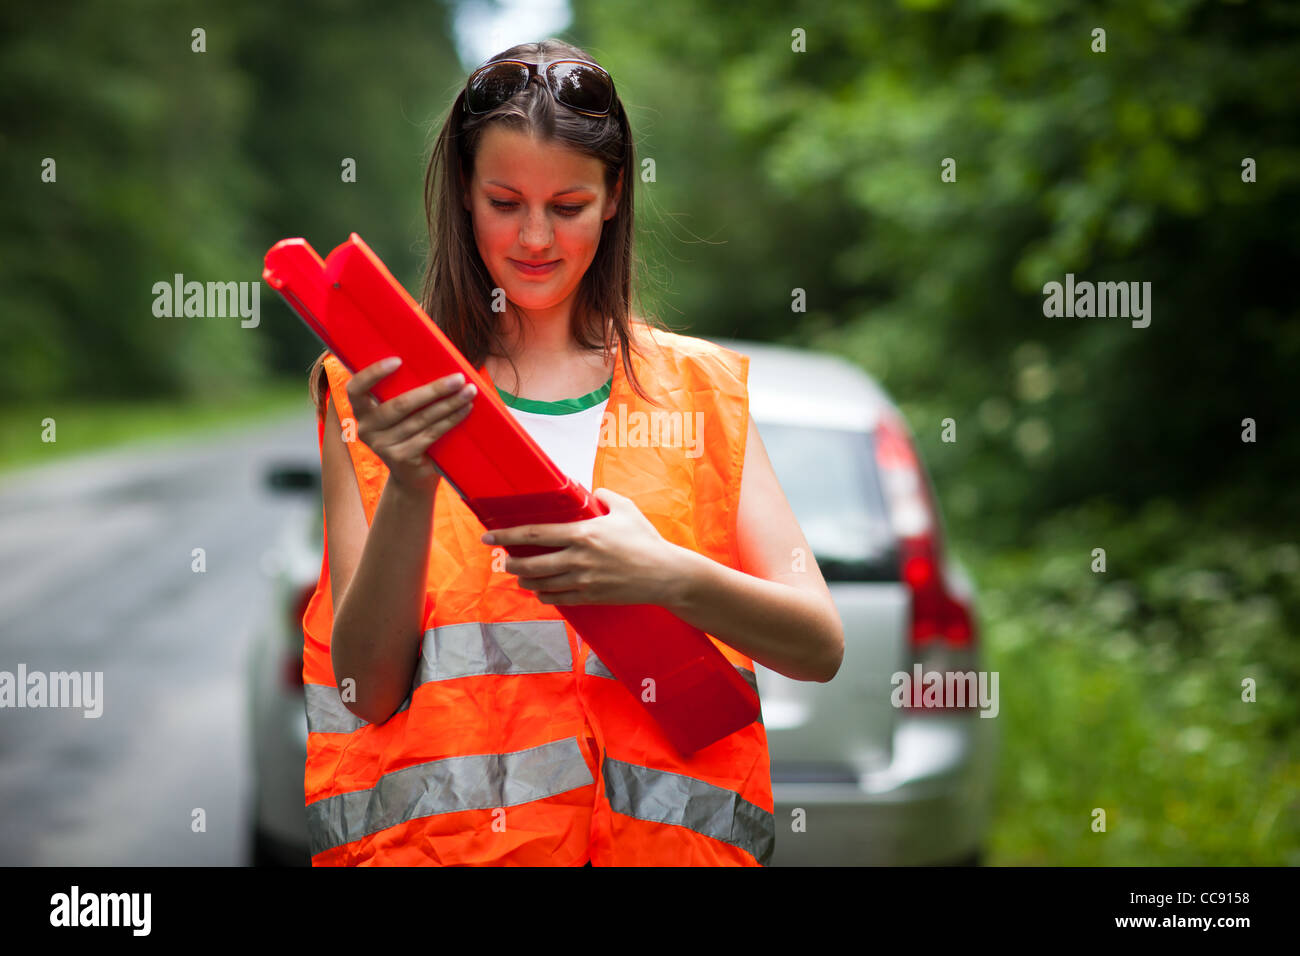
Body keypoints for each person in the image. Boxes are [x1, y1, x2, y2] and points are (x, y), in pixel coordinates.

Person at [299, 38, 844, 867]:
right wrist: (411, 482)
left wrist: (665, 574)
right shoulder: (373, 393)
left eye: (569, 206)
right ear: (462, 194)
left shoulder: (697, 392)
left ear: (616, 198)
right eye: (505, 201)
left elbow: (818, 643)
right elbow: (363, 691)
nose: (535, 239)